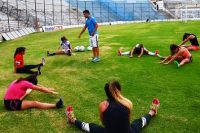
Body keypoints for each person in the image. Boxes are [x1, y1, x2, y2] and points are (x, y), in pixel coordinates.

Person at [66, 80, 160, 133]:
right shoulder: (127, 103)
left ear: (106, 93)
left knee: (91, 127)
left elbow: (104, 122)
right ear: (119, 90)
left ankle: (73, 120)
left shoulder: (103, 105)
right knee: (138, 123)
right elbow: (127, 121)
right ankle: (152, 112)